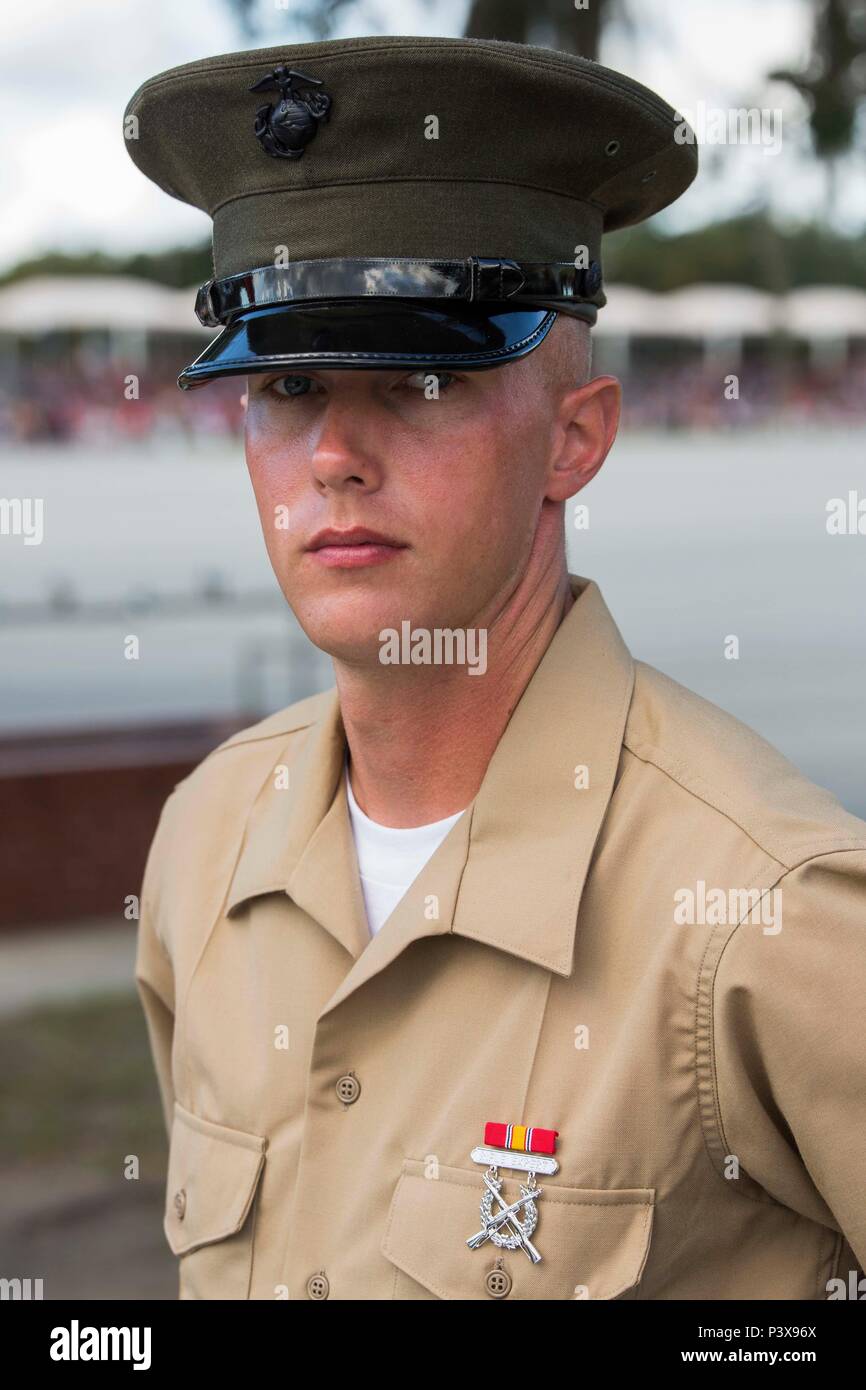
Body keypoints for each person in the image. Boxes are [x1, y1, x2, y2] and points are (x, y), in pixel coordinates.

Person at [126, 35, 866, 1301]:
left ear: (574, 440)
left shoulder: (768, 910)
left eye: (421, 382)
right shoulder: (205, 844)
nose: (336, 457)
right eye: (288, 383)